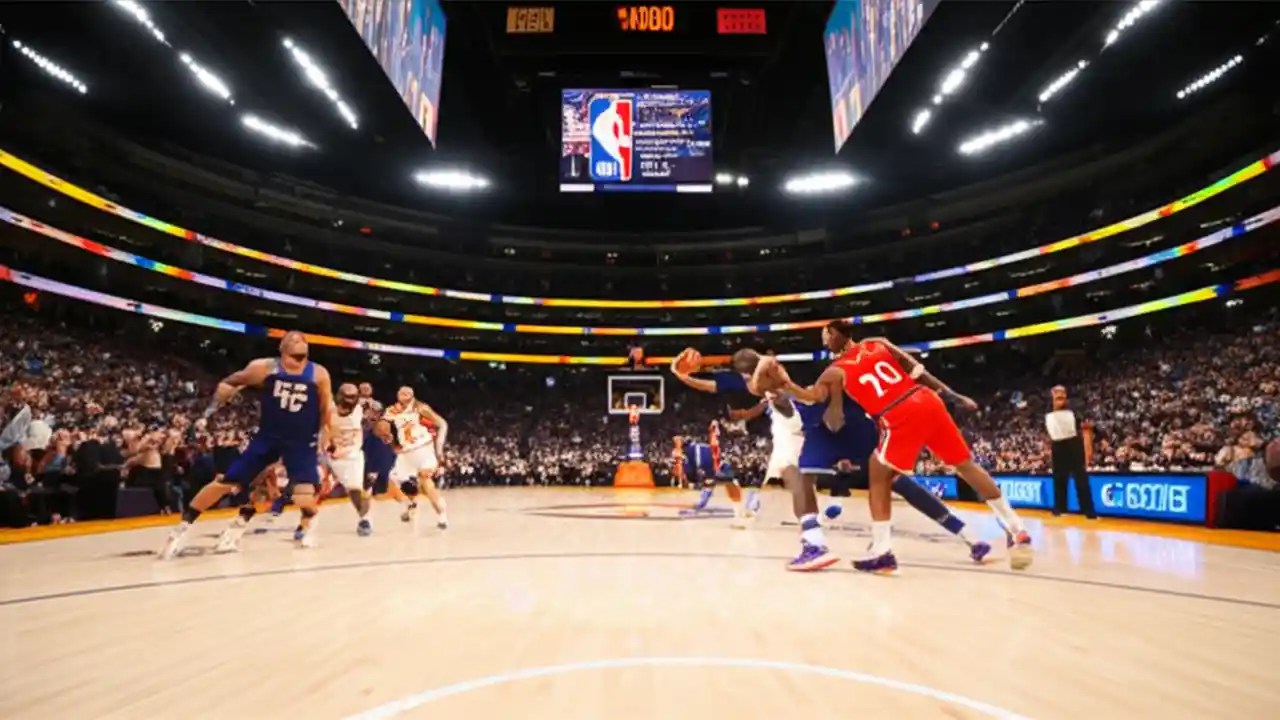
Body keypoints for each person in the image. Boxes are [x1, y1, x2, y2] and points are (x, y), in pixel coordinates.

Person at [676, 348, 993, 571]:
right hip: (841, 424)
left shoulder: (770, 376)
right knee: (895, 480)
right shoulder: (763, 375)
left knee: (794, 474)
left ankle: (814, 543)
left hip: (811, 428)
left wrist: (685, 374)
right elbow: (711, 384)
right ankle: (972, 538)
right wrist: (683, 375)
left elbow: (778, 394)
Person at [770, 320, 1032, 573]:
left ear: (835, 334)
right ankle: (1016, 529)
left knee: (879, 473)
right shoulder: (877, 343)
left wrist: (787, 385)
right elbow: (918, 371)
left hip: (897, 412)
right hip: (927, 399)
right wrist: (951, 394)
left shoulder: (834, 371)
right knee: (965, 465)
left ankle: (882, 552)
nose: (824, 340)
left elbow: (812, 397)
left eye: (825, 335)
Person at [158, 331, 333, 559]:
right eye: (293, 338)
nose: (298, 340)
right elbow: (230, 382)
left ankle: (306, 524)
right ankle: (182, 527)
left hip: (301, 441)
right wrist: (214, 406)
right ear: (281, 347)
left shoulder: (319, 374)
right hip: (267, 437)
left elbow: (326, 406)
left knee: (302, 493)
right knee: (228, 481)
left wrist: (326, 432)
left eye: (302, 339)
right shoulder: (264, 368)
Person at [378, 386, 449, 530]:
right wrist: (388, 439)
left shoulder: (420, 408)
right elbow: (382, 426)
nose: (404, 393)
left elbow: (442, 424)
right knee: (397, 482)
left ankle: (442, 516)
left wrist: (439, 450)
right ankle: (411, 504)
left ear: (413, 395)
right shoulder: (391, 410)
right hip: (406, 452)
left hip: (423, 448)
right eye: (401, 391)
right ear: (397, 394)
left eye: (408, 392)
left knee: (426, 482)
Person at [1045, 385, 1098, 519]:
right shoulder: (1046, 410)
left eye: (1062, 392)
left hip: (1073, 443)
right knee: (1058, 478)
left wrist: (1088, 450)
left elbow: (1086, 429)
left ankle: (1088, 511)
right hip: (1057, 444)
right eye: (1056, 393)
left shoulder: (1075, 409)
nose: (1060, 395)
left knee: (1080, 477)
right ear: (1052, 395)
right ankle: (1060, 508)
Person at [329, 383, 373, 536]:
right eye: (347, 395)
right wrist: (330, 446)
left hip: (351, 454)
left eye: (353, 396)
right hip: (329, 453)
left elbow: (360, 433)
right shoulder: (328, 409)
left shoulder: (360, 410)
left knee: (354, 490)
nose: (350, 398)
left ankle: (364, 519)